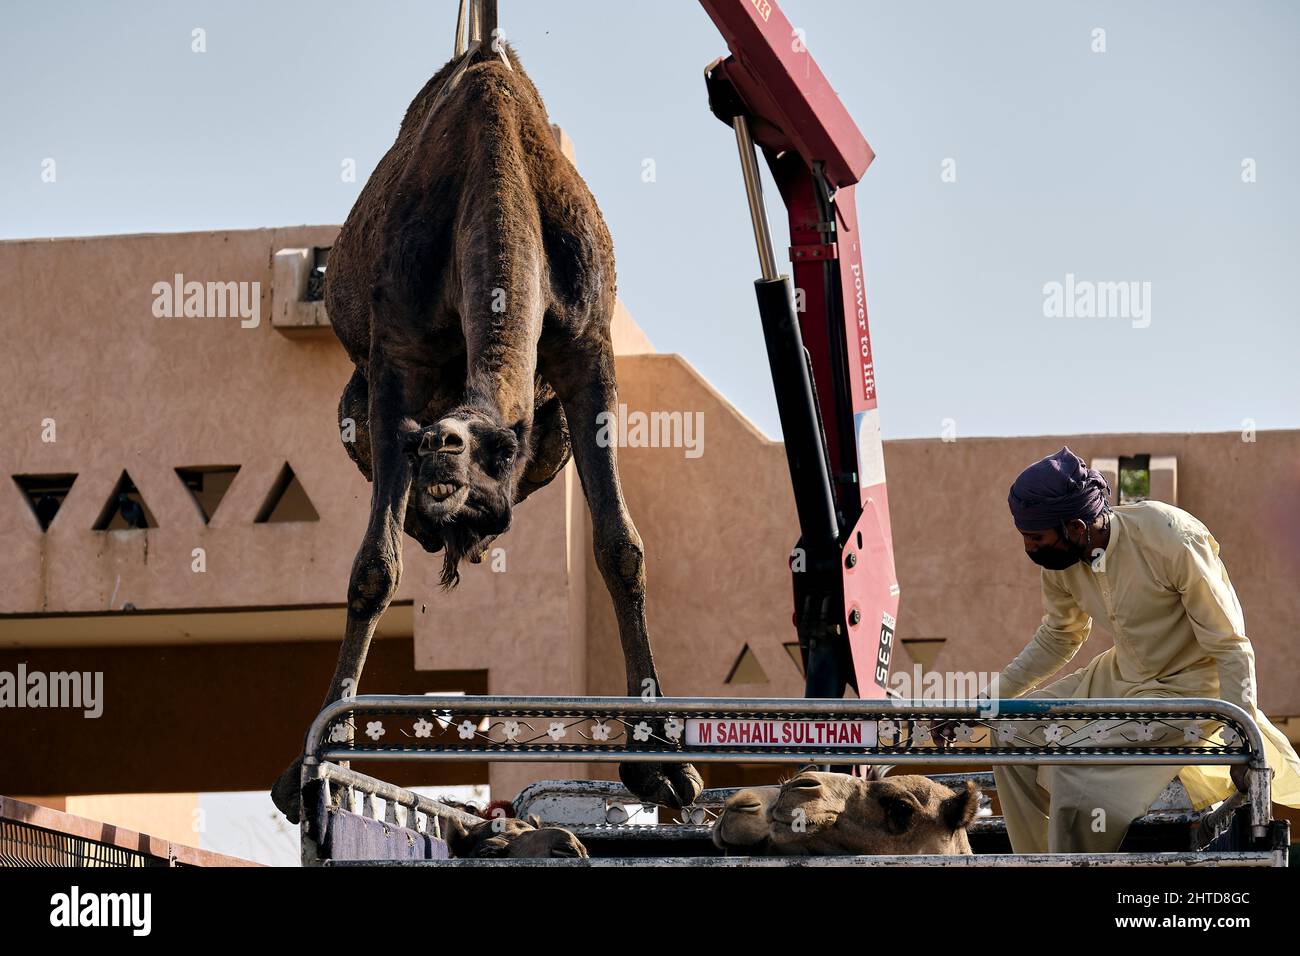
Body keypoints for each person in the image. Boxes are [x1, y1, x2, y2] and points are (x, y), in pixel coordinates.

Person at [990, 446, 1300, 853]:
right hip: (1118, 678)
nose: (1030, 548)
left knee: (1073, 767)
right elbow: (1059, 636)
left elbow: (1230, 645)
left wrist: (1239, 744)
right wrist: (989, 702)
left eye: (1036, 538)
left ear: (1077, 526)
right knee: (1011, 735)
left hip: (1189, 693)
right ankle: (1038, 862)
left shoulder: (1170, 535)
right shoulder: (1063, 561)